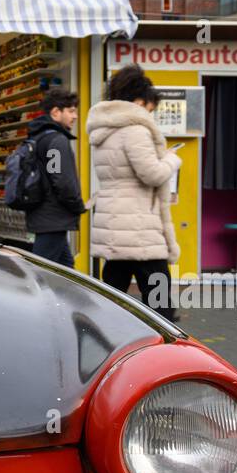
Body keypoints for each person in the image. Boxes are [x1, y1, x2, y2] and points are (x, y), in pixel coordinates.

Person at [87, 64, 181, 320]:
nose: (151, 115)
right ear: (139, 102)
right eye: (150, 109)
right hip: (139, 225)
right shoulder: (135, 130)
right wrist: (172, 160)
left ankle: (105, 340)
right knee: (160, 302)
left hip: (115, 221)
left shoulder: (103, 130)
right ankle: (165, 350)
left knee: (112, 294)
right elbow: (152, 173)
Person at [25, 89, 86, 266]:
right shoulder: (56, 141)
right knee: (42, 272)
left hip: (46, 215)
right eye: (71, 111)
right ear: (56, 112)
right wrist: (77, 204)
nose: (75, 116)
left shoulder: (39, 137)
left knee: (66, 271)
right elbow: (60, 179)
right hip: (53, 217)